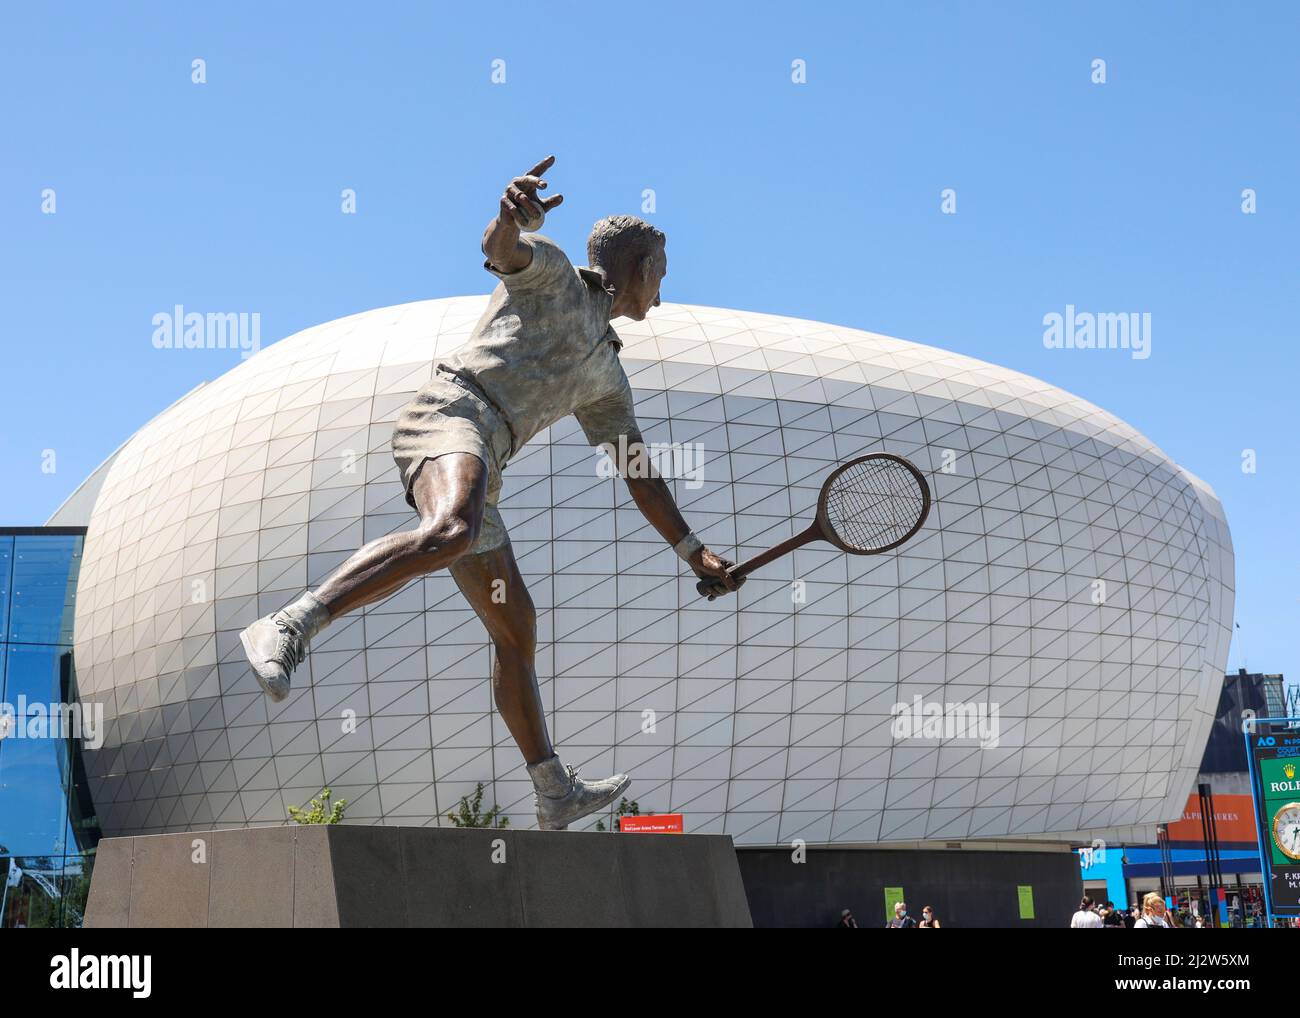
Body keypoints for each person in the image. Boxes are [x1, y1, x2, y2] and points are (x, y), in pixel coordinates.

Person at [238, 156, 742, 831]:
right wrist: (510, 219)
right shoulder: (556, 274)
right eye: (660, 270)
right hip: (449, 418)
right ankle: (290, 625)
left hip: (485, 464)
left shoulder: (606, 374)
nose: (663, 287)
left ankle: (553, 787)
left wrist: (692, 552)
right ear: (635, 266)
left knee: (517, 628)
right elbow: (502, 252)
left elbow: (637, 470)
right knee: (452, 529)